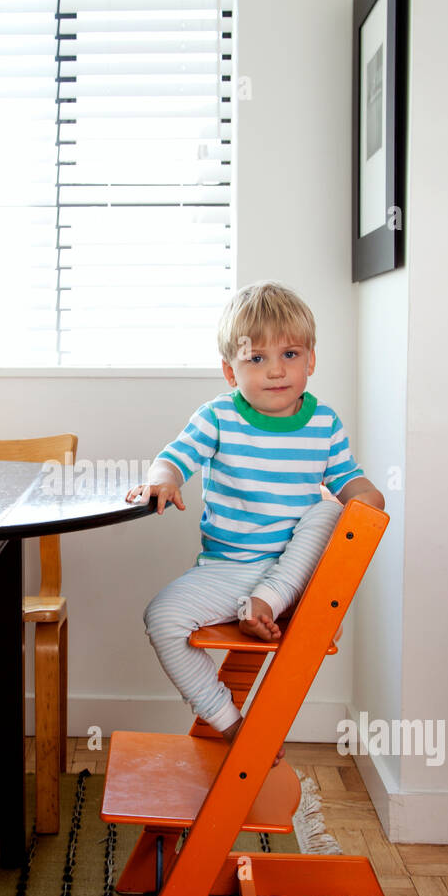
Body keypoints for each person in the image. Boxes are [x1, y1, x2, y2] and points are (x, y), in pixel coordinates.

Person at [126, 281, 385, 756]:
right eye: (256, 358)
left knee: (330, 510)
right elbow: (173, 458)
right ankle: (227, 720)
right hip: (227, 570)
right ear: (230, 370)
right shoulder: (218, 417)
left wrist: (368, 497)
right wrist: (163, 479)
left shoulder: (324, 423)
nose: (276, 371)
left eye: (289, 354)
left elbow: (350, 480)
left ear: (311, 361)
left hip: (294, 564)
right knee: (160, 618)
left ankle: (268, 601)